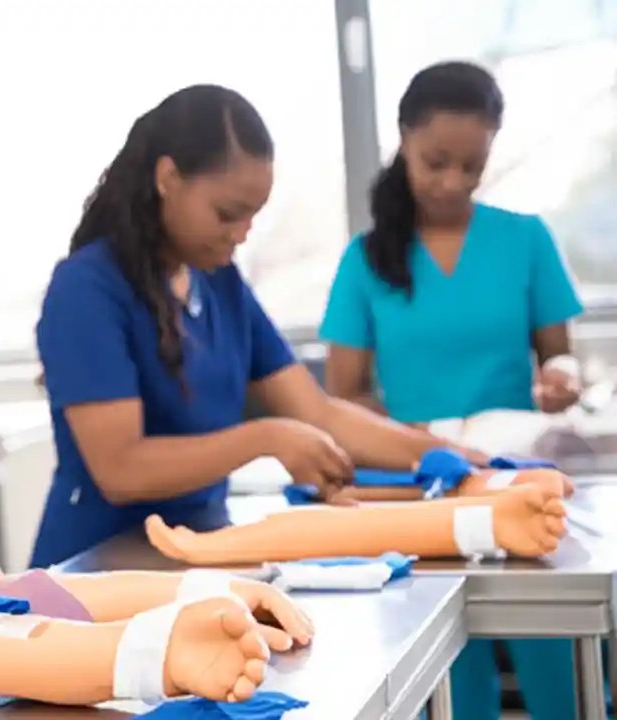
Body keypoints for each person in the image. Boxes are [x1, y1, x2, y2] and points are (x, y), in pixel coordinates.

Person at [29, 84, 475, 571]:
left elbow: (319, 415)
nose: (240, 235)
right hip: (98, 568)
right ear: (168, 177)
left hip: (198, 553)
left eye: (252, 218)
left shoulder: (218, 283)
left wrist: (447, 456)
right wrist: (264, 438)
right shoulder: (86, 289)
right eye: (226, 214)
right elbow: (121, 468)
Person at [319, 61, 582, 720]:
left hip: (515, 479)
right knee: (447, 663)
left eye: (472, 165)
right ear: (403, 138)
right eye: (436, 160)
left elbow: (562, 360)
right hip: (418, 488)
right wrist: (416, 442)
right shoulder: (365, 259)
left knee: (552, 654)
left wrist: (560, 383)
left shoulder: (525, 240)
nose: (452, 181)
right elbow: (342, 394)